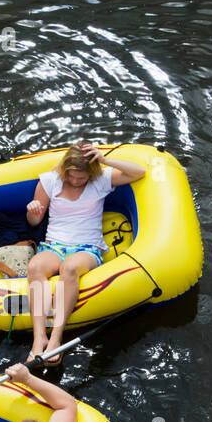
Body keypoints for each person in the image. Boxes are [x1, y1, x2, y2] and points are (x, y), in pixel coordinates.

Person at [24, 141, 146, 363]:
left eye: (81, 177)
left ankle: (55, 340)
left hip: (87, 247)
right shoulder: (49, 181)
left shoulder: (100, 180)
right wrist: (33, 210)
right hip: (54, 245)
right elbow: (34, 222)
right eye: (71, 176)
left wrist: (104, 159)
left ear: (91, 172)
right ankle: (38, 338)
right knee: (35, 267)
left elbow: (139, 172)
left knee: (69, 268)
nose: (75, 181)